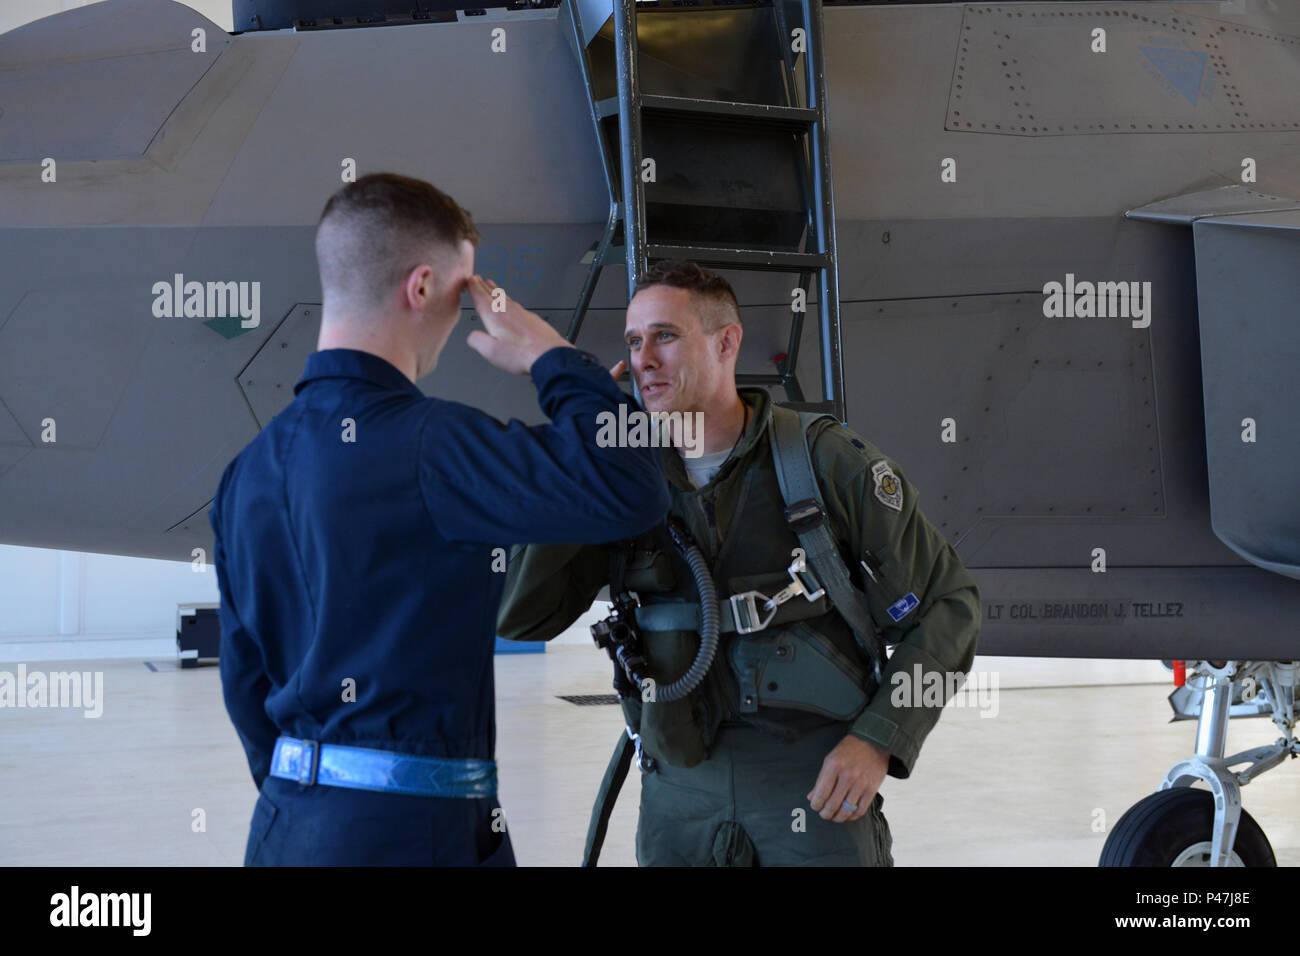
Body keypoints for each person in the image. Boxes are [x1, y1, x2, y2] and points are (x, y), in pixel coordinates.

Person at [211, 173, 669, 866]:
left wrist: (312, 798)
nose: (466, 321)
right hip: (415, 833)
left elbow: (245, 683)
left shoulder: (246, 470)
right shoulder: (434, 446)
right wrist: (551, 356)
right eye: (466, 296)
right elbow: (631, 484)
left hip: (284, 825)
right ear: (421, 287)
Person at [498, 260, 980, 866]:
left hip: (812, 793)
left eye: (665, 336)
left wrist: (878, 740)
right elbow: (521, 618)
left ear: (727, 342)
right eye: (633, 341)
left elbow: (947, 606)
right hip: (677, 798)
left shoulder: (823, 462)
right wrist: (578, 458)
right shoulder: (619, 477)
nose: (644, 358)